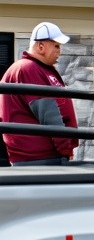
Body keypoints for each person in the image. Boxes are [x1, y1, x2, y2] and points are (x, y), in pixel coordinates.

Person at [0, 21, 80, 166]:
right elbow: (49, 114)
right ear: (41, 46)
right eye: (56, 46)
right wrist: (65, 148)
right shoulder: (29, 68)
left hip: (43, 156)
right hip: (39, 159)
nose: (59, 51)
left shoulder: (39, 68)